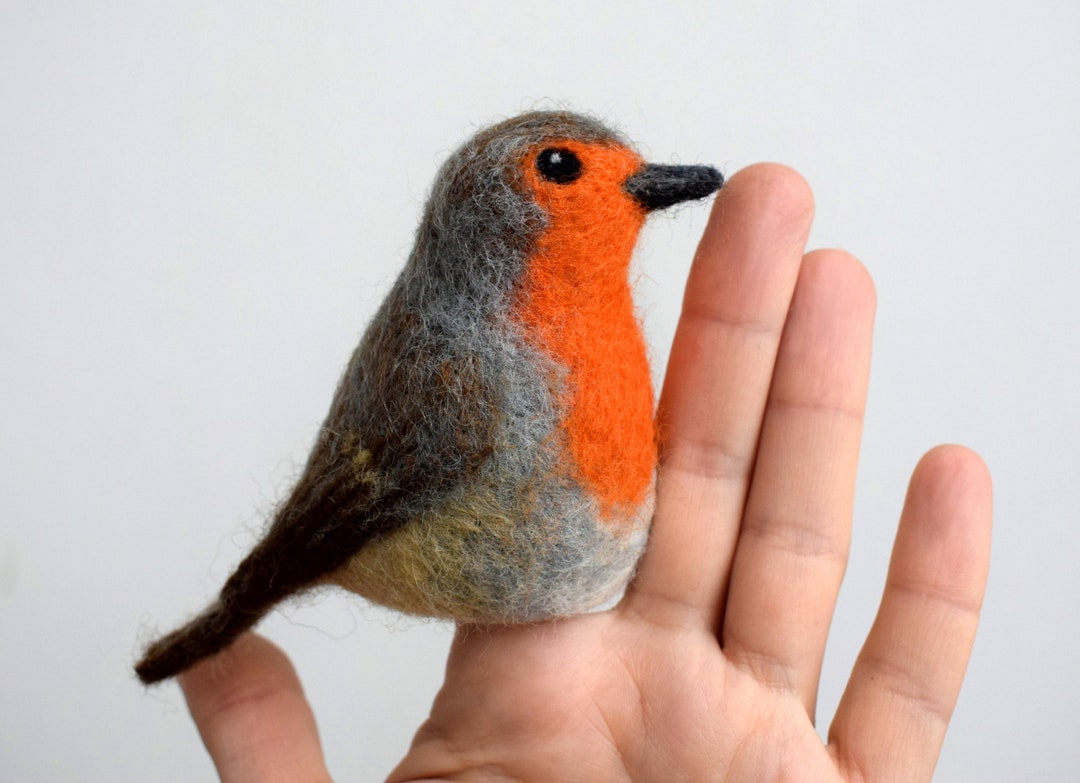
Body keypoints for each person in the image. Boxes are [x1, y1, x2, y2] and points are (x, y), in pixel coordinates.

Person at [176, 164, 992, 782]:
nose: (627, 182)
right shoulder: (459, 371)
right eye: (564, 167)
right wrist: (256, 586)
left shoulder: (584, 332)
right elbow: (347, 496)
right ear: (492, 217)